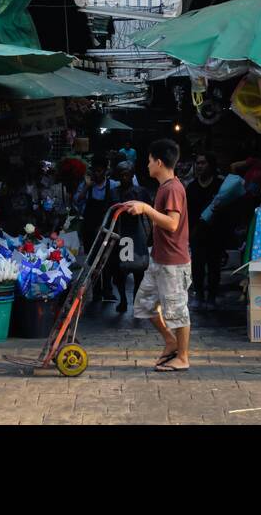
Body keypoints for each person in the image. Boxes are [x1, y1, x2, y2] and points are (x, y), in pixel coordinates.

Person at [125, 139, 192, 372]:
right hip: (159, 259)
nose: (147, 165)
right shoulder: (165, 187)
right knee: (144, 304)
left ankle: (182, 357)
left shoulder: (173, 188)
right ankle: (171, 342)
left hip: (173, 263)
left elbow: (172, 224)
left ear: (159, 162)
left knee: (177, 311)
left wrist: (146, 209)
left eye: (150, 161)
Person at [74, 155, 119, 303]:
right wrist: (86, 187)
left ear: (105, 171)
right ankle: (96, 291)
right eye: (95, 171)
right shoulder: (86, 185)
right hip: (89, 228)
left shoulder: (112, 185)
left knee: (106, 260)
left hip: (106, 229)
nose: (97, 174)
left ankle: (107, 290)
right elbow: (76, 201)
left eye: (100, 171)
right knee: (92, 260)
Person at [109, 160, 150, 314]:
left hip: (137, 233)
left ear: (132, 175)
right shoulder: (114, 192)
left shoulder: (141, 192)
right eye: (121, 175)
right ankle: (123, 300)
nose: (124, 178)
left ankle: (135, 299)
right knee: (120, 270)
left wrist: (150, 233)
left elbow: (149, 214)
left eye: (127, 174)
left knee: (139, 268)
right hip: (121, 233)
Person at [186, 152, 224, 310]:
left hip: (215, 233)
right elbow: (186, 212)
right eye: (198, 163)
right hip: (197, 233)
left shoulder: (219, 185)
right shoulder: (192, 187)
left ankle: (212, 297)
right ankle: (199, 295)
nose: (200, 166)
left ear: (211, 165)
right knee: (197, 266)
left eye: (203, 163)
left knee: (214, 266)